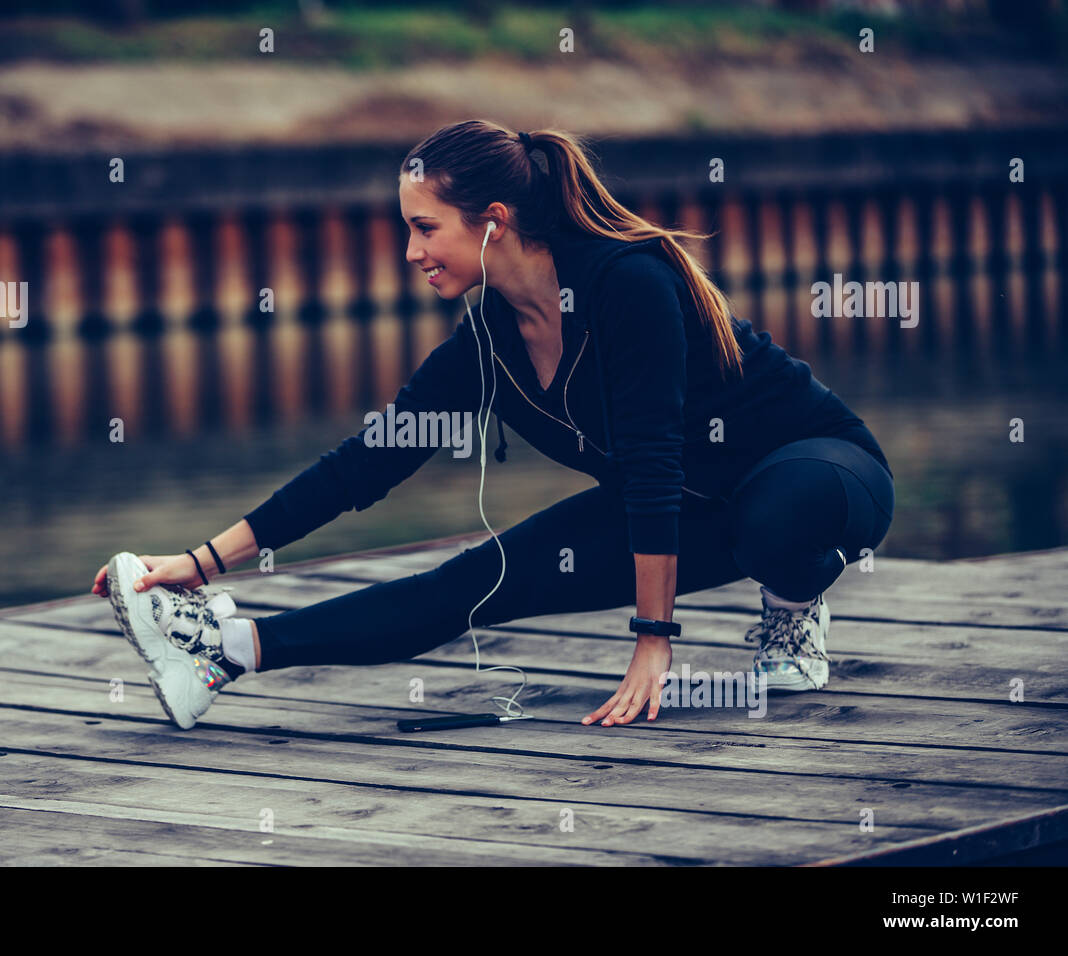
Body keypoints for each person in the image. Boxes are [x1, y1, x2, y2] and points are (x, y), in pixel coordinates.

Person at [91, 120, 894, 732]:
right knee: (468, 584)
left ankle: (793, 606)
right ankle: (226, 655)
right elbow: (366, 462)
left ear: (493, 222)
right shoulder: (489, 341)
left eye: (423, 227)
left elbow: (650, 458)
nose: (409, 251)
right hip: (692, 509)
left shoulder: (627, 285)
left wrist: (654, 639)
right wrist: (202, 562)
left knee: (772, 519)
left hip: (820, 471)